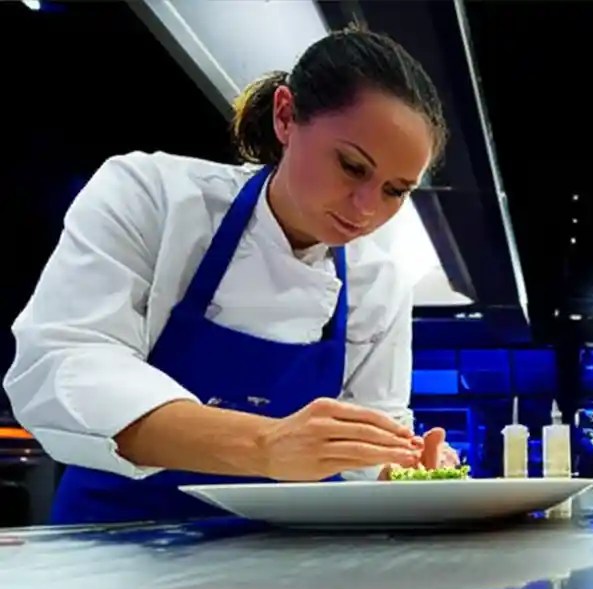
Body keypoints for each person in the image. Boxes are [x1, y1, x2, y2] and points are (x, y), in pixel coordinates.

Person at [4, 26, 459, 524]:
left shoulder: (380, 282)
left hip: (288, 563)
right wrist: (264, 445)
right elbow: (65, 362)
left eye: (395, 190)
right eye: (352, 167)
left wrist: (408, 467)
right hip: (115, 548)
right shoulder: (152, 197)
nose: (367, 209)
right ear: (286, 116)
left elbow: (372, 437)